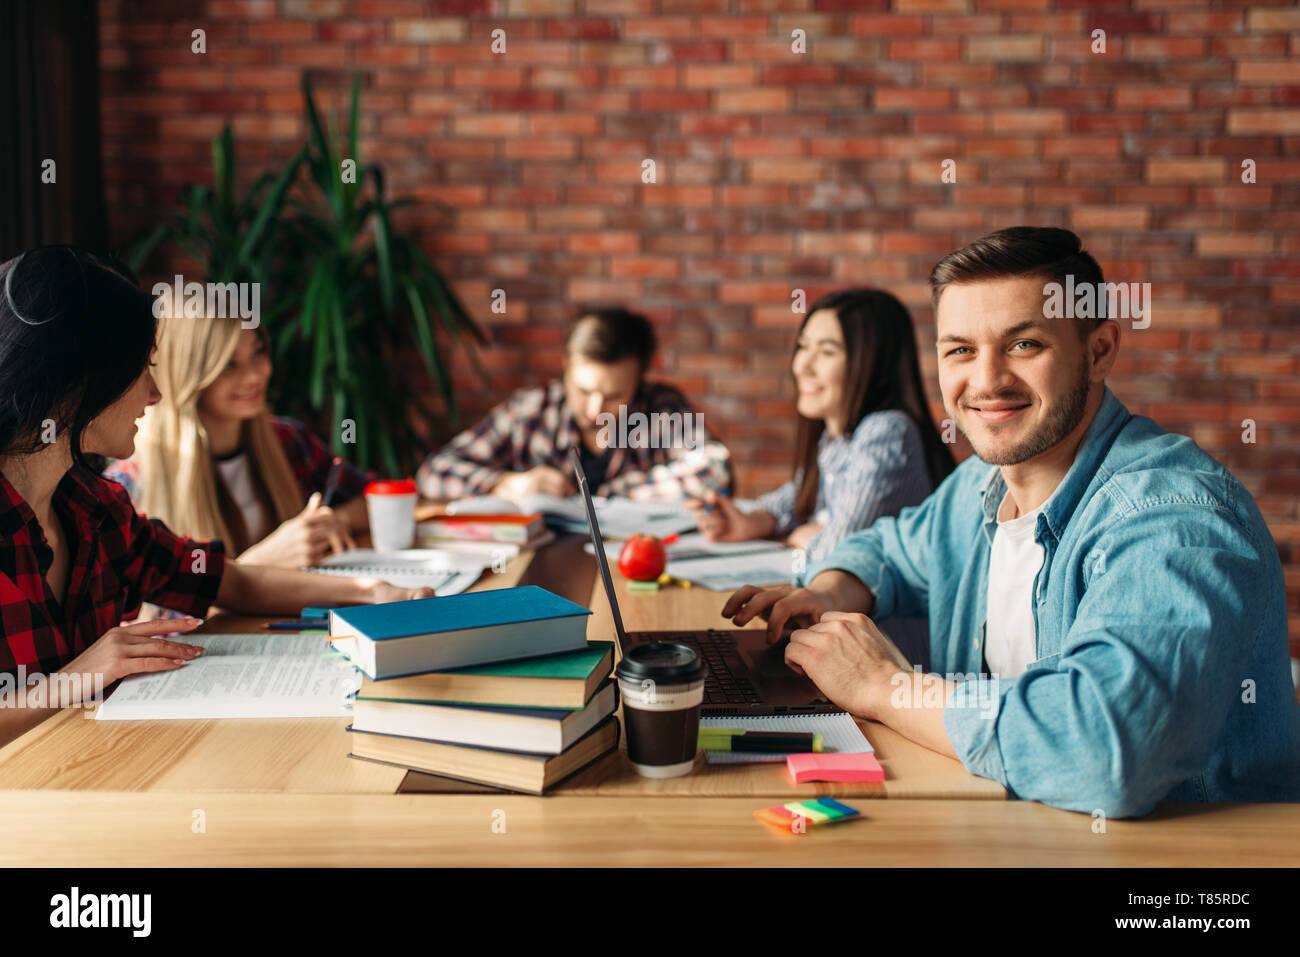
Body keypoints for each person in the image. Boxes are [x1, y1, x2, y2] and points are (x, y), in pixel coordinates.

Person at [721, 227, 1300, 817]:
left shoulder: (1175, 517)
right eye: (960, 350)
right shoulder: (981, 483)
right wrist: (827, 592)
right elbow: (890, 548)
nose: (987, 379)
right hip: (1001, 829)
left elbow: (1106, 751)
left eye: (1024, 345)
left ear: (1099, 351)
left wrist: (887, 689)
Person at [0, 247, 431, 750]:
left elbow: (224, 579)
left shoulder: (97, 511)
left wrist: (372, 593)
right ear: (79, 383)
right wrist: (77, 676)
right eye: (141, 369)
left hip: (95, 786)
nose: (156, 393)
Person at [686, 288, 955, 562]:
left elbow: (839, 549)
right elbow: (796, 498)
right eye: (803, 347)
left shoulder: (886, 432)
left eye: (827, 352)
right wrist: (751, 520)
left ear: (874, 365)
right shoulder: (836, 440)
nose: (802, 366)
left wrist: (801, 535)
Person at [105, 311, 370, 569]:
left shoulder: (288, 439)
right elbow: (142, 612)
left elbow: (379, 497)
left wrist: (337, 520)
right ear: (184, 376)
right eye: (228, 364)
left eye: (258, 353)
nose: (255, 375)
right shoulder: (127, 485)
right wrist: (261, 563)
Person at [416, 307, 731, 503]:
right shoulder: (530, 411)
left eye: (614, 396)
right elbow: (433, 471)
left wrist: (613, 495)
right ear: (565, 365)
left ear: (640, 380)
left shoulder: (662, 408)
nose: (594, 410)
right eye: (583, 390)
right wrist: (507, 483)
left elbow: (716, 470)